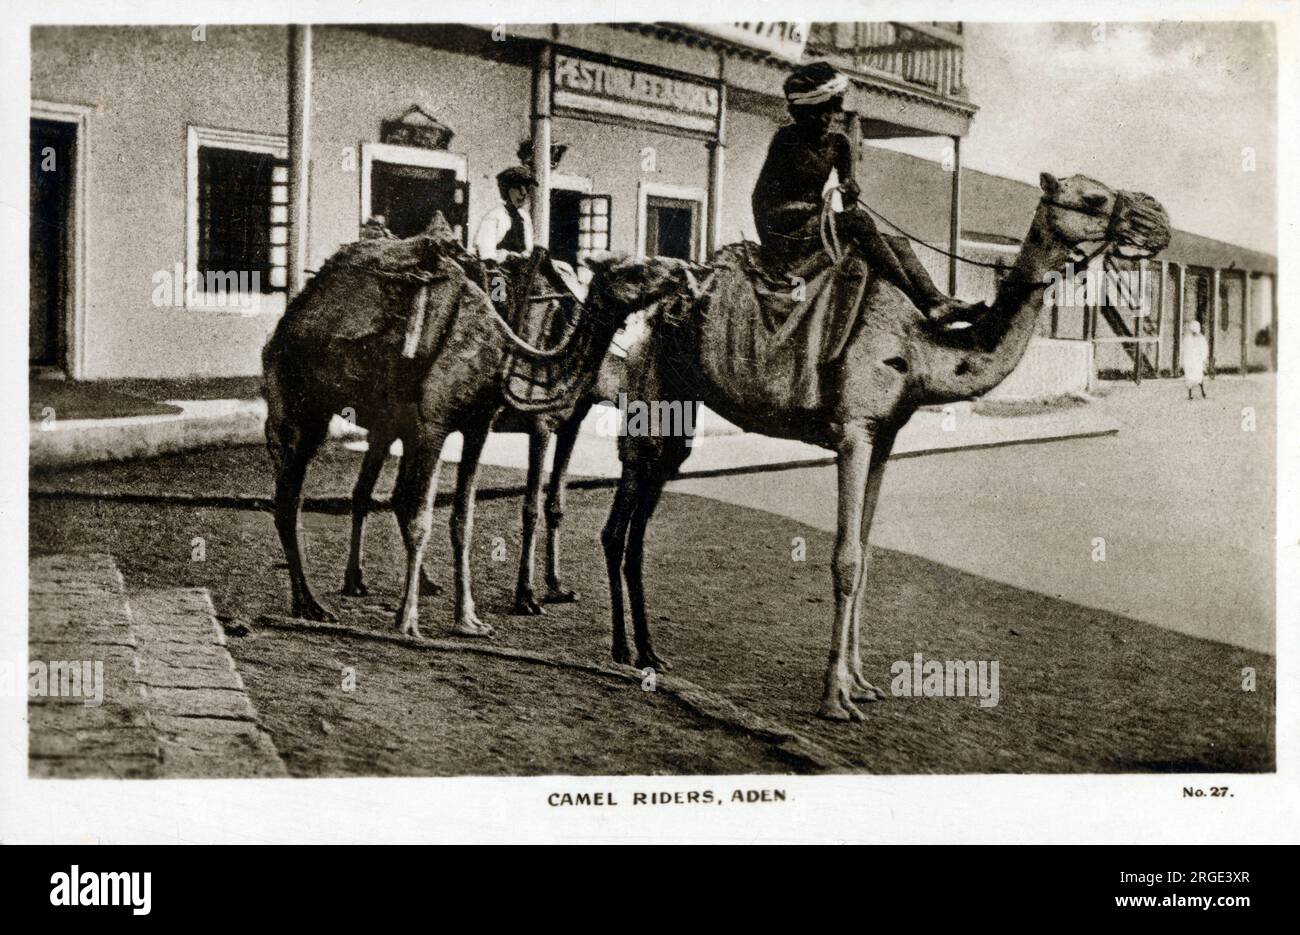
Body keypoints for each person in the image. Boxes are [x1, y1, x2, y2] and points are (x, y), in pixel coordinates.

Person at [751, 61, 976, 323]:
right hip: (787, 231)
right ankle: (922, 302)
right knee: (858, 222)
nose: (825, 118)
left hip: (821, 225)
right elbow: (762, 201)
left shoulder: (839, 145)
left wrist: (850, 189)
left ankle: (935, 300)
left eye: (829, 110)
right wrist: (803, 212)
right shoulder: (786, 141)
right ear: (801, 114)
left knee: (897, 243)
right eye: (816, 113)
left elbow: (849, 199)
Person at [475, 166, 535, 261]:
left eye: (526, 188)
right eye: (518, 187)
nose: (523, 193)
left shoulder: (524, 218)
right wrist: (506, 256)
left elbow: (529, 250)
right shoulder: (495, 216)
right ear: (506, 189)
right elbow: (486, 254)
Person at [1183, 320, 1209, 399]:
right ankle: (1191, 394)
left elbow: (1204, 350)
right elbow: (1185, 349)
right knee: (1190, 377)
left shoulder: (1201, 339)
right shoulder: (1188, 339)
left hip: (1197, 361)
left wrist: (1203, 358)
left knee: (1198, 376)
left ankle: (1202, 392)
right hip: (1190, 361)